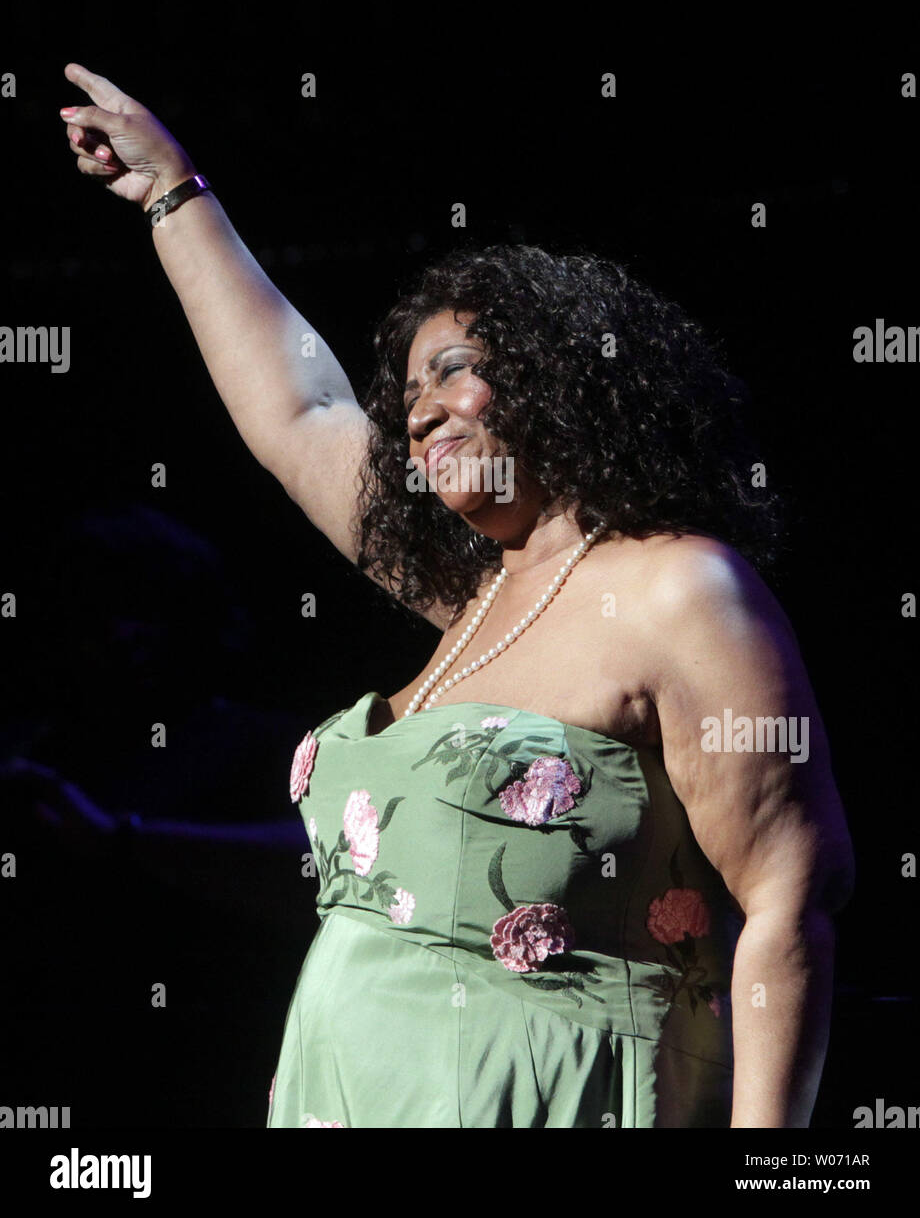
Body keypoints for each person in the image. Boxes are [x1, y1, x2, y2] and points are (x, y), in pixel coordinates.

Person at [58, 62, 855, 1129]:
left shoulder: (677, 588)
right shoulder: (475, 600)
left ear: (562, 380)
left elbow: (787, 900)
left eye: (453, 371)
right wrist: (172, 196)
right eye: (408, 390)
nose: (419, 412)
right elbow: (300, 410)